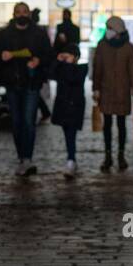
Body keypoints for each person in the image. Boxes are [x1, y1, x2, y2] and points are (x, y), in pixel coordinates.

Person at [0, 2, 51, 176]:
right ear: (13, 14)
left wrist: (39, 61)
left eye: (25, 12)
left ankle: (27, 158)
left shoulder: (39, 34)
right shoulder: (5, 34)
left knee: (29, 122)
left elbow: (48, 55)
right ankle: (22, 157)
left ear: (29, 14)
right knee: (16, 122)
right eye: (18, 12)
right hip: (12, 84)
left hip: (31, 84)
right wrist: (2, 57)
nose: (22, 15)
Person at [91, 15, 133, 171]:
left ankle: (121, 155)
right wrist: (96, 88)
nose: (107, 31)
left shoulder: (128, 47)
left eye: (109, 28)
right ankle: (108, 155)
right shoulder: (102, 46)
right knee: (107, 125)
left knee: (122, 124)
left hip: (123, 92)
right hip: (106, 91)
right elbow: (97, 69)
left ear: (118, 29)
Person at [50, 39, 88, 178]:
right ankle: (71, 159)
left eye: (69, 56)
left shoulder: (81, 69)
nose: (66, 58)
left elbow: (72, 77)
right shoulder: (61, 68)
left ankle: (71, 160)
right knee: (67, 134)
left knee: (71, 134)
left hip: (74, 107)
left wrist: (64, 64)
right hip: (63, 106)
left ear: (76, 57)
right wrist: (57, 61)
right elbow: (51, 74)